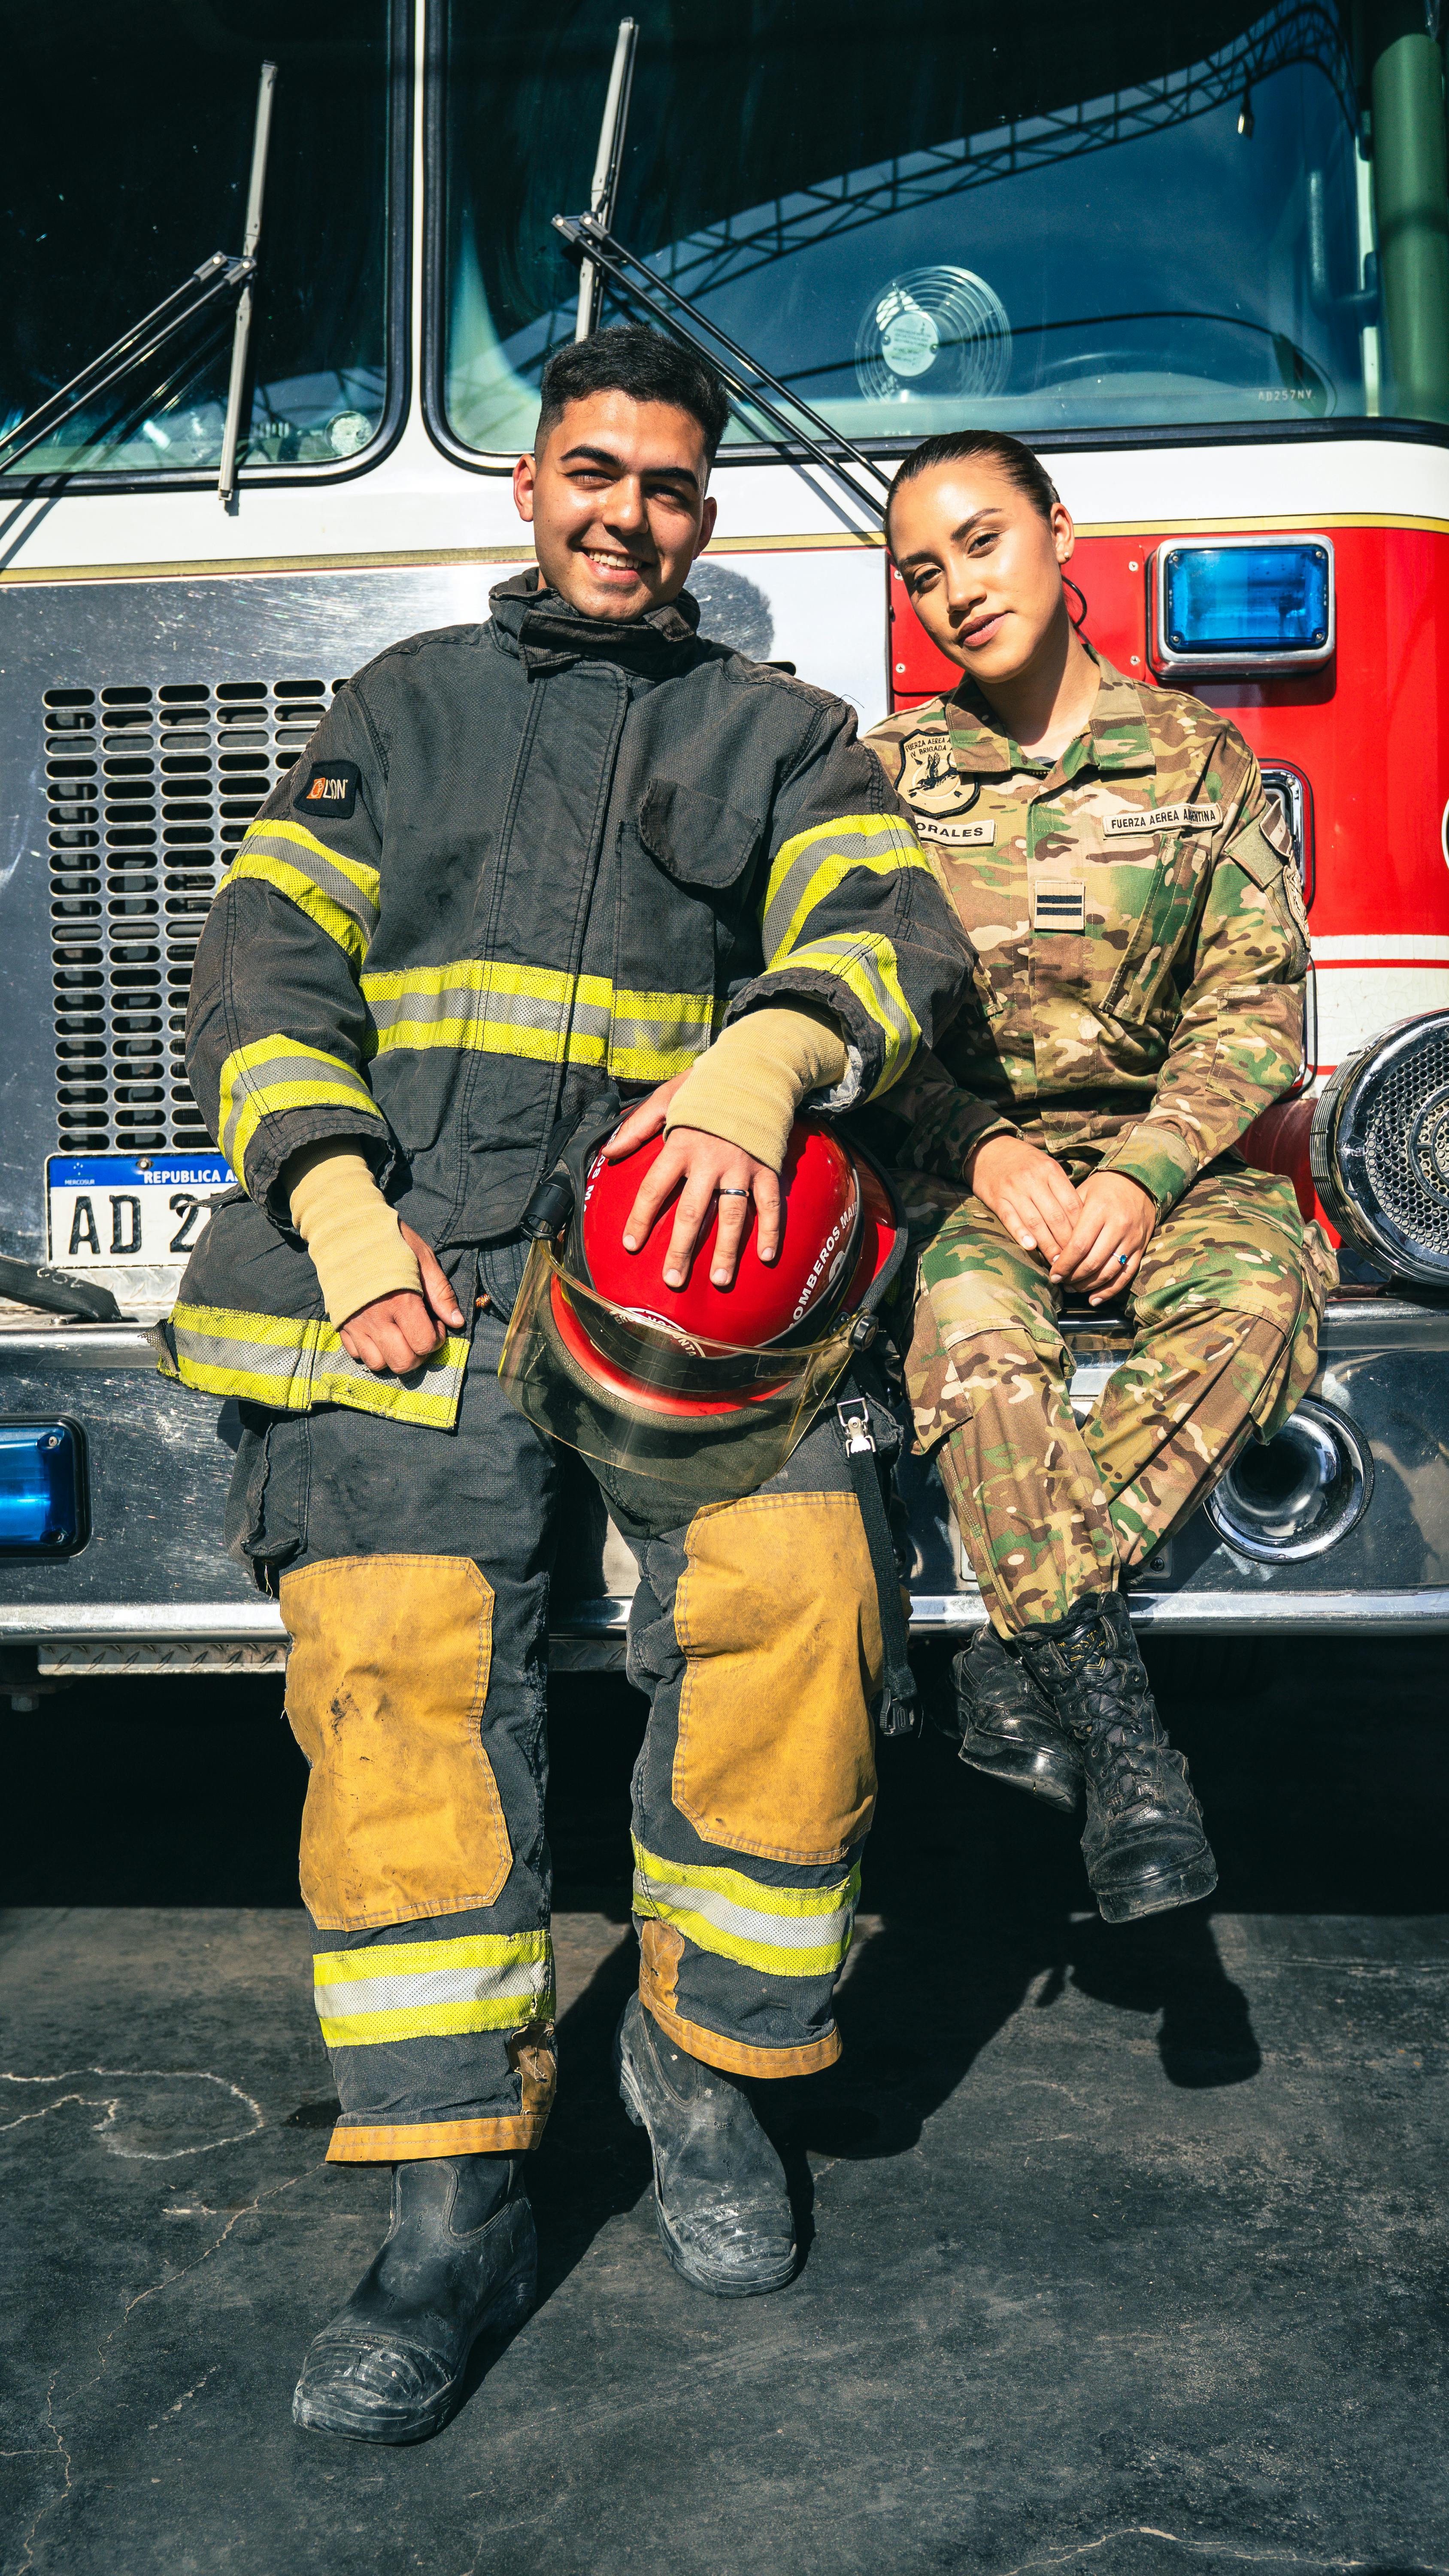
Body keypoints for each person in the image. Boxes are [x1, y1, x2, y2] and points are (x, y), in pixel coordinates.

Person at [159, 326, 971, 2443]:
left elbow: (892, 936)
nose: (628, 513)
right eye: (592, 472)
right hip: (409, 1281)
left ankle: (700, 2077)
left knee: (804, 1601)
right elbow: (261, 968)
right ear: (530, 489)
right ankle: (450, 2198)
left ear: (705, 515)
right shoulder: (396, 713)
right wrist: (341, 1213)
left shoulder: (778, 734)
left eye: (671, 485)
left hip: (681, 1301)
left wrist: (765, 1056)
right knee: (400, 1656)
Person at [862, 431, 1337, 1927]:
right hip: (971, 1173)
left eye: (984, 543)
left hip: (1173, 1165)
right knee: (981, 1344)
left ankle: (1017, 1650)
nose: (957, 592)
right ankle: (1134, 1763)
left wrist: (1141, 1174)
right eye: (923, 572)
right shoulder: (883, 779)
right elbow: (860, 1015)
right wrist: (988, 1152)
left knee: (1266, 1291)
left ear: (1062, 533)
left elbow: (1256, 1014)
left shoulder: (1201, 764)